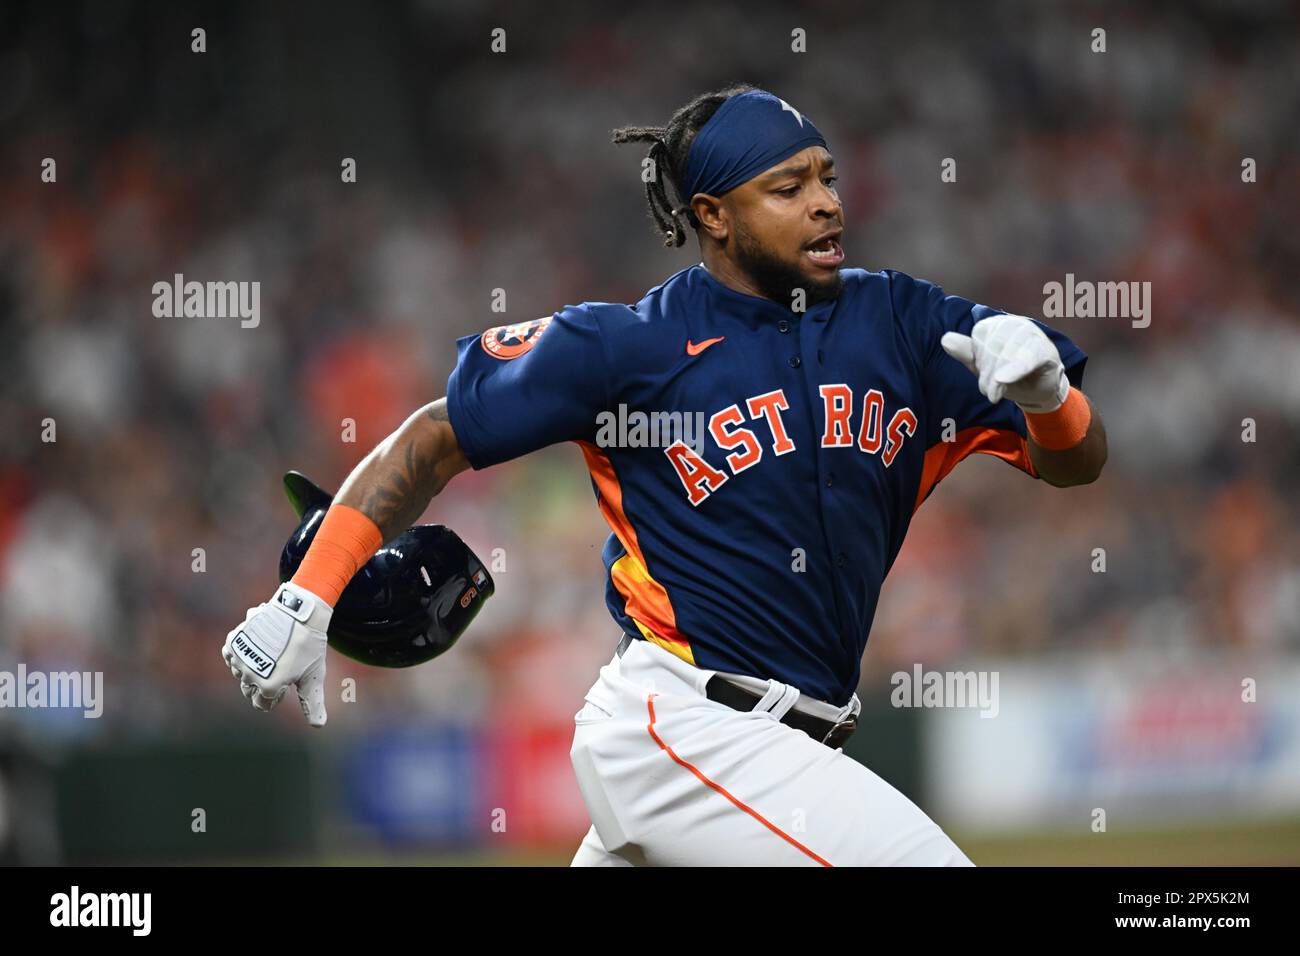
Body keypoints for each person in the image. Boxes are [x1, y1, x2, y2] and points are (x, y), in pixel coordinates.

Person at [221, 84, 1106, 866]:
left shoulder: (904, 322)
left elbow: (1074, 465)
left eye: (828, 177)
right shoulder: (627, 348)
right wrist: (309, 594)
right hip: (683, 727)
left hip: (786, 746)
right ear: (713, 215)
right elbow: (431, 440)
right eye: (789, 188)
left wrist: (1048, 397)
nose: (827, 204)